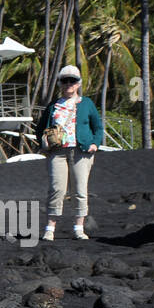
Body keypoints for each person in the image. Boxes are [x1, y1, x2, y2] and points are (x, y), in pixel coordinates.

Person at [35, 64, 102, 242]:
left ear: (79, 83)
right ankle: (50, 229)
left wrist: (95, 143)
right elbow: (40, 128)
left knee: (80, 190)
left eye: (73, 81)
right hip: (57, 153)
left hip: (81, 151)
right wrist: (43, 143)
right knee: (57, 189)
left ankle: (78, 229)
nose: (69, 84)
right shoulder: (53, 105)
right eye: (65, 80)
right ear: (60, 83)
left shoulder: (86, 103)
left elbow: (98, 127)